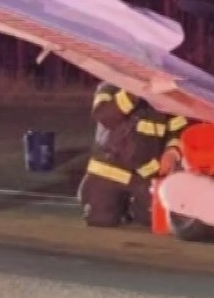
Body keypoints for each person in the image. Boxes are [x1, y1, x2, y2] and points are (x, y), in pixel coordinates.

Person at [77, 81, 189, 227]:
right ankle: (98, 198)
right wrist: (133, 92)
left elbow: (179, 129)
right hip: (108, 172)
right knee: (100, 219)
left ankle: (132, 206)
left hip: (143, 174)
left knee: (151, 220)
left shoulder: (167, 99)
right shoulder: (109, 87)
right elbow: (105, 115)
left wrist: (172, 151)